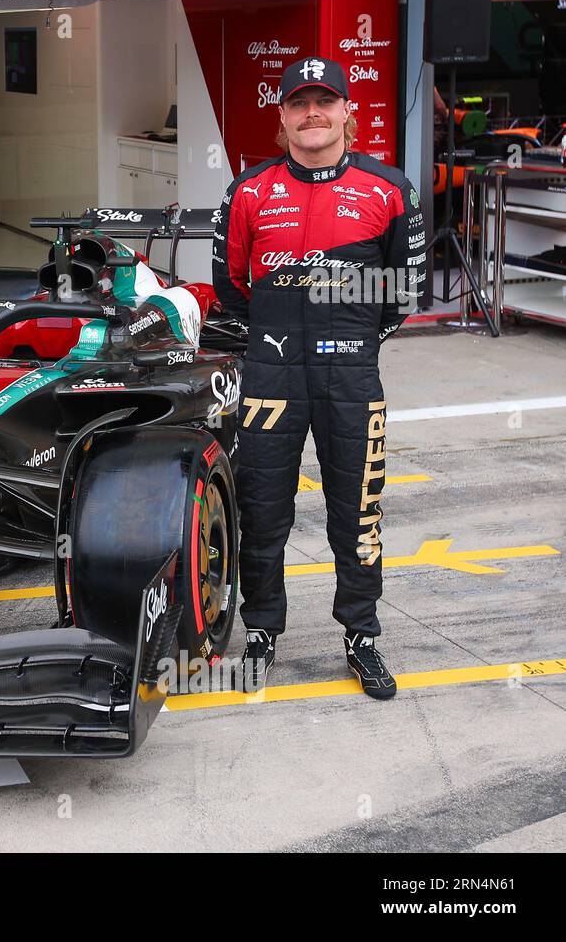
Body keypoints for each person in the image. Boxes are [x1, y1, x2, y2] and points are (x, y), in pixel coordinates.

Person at [211, 56, 425, 699]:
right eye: (299, 103)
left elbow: (401, 293)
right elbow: (233, 289)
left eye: (325, 101)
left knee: (357, 511)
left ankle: (361, 635)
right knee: (263, 509)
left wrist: (348, 340)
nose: (313, 114)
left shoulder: (388, 189)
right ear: (281, 117)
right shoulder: (248, 191)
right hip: (270, 372)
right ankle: (262, 632)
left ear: (346, 113)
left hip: (352, 377)